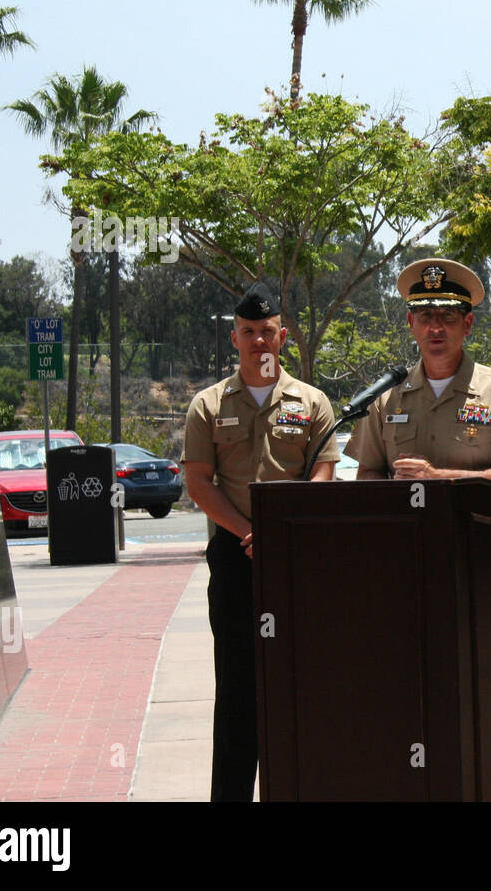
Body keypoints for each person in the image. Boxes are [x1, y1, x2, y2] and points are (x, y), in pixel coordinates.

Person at [182, 282, 341, 802]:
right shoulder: (207, 405)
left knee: (302, 683)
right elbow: (199, 483)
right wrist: (249, 532)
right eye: (248, 333)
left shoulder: (311, 401)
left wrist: (287, 528)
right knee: (237, 688)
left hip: (297, 559)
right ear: (234, 338)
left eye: (266, 332)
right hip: (235, 556)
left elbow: (323, 473)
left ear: (283, 337)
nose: (258, 342)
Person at [347, 258, 491, 490]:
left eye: (447, 316)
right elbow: (368, 472)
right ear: (411, 322)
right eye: (426, 316)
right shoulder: (386, 396)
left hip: (475, 524)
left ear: (467, 323)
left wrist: (439, 477)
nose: (436, 328)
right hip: (407, 525)